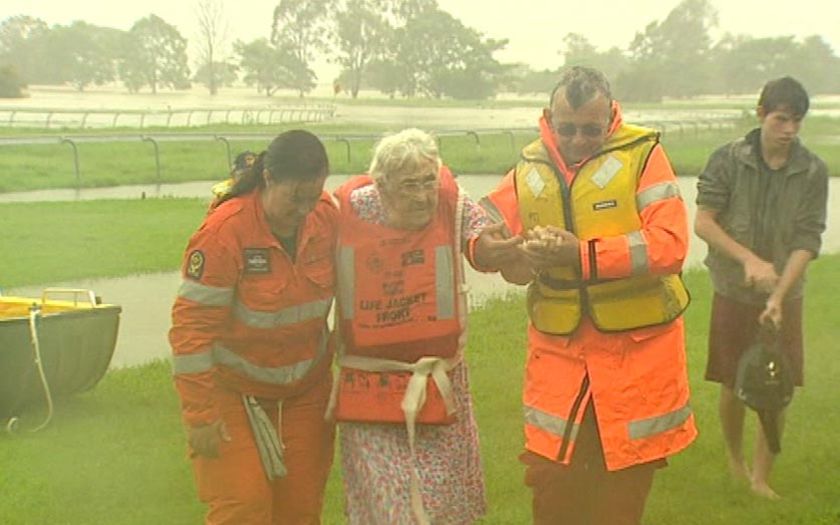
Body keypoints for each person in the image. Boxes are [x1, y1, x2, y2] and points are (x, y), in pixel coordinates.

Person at [479, 66, 697, 525]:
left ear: (611, 118)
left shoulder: (643, 156)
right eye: (567, 129)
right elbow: (481, 226)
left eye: (590, 130)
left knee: (619, 499)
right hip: (559, 360)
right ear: (548, 119)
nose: (578, 140)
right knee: (551, 488)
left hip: (634, 360)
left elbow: (670, 245)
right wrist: (492, 250)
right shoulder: (530, 167)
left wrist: (580, 254)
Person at [328, 128, 517, 525]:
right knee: (388, 508)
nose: (422, 195)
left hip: (439, 386)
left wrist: (492, 248)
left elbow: (478, 238)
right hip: (371, 389)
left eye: (428, 181)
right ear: (381, 186)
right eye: (409, 185)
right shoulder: (344, 211)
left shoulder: (450, 201)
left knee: (441, 505)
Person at [169, 130, 337, 524]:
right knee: (243, 507)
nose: (305, 209)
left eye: (313, 197)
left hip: (305, 392)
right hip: (233, 394)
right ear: (268, 178)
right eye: (295, 198)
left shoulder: (326, 217)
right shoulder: (224, 233)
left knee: (300, 510)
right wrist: (201, 415)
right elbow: (191, 333)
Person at [694, 76, 828, 499]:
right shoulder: (727, 159)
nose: (789, 130)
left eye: (797, 121)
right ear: (761, 114)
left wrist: (778, 296)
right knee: (731, 381)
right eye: (780, 119)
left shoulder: (813, 170)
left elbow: (808, 239)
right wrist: (749, 260)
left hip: (786, 292)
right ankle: (735, 460)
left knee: (777, 385)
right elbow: (704, 222)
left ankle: (760, 477)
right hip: (733, 288)